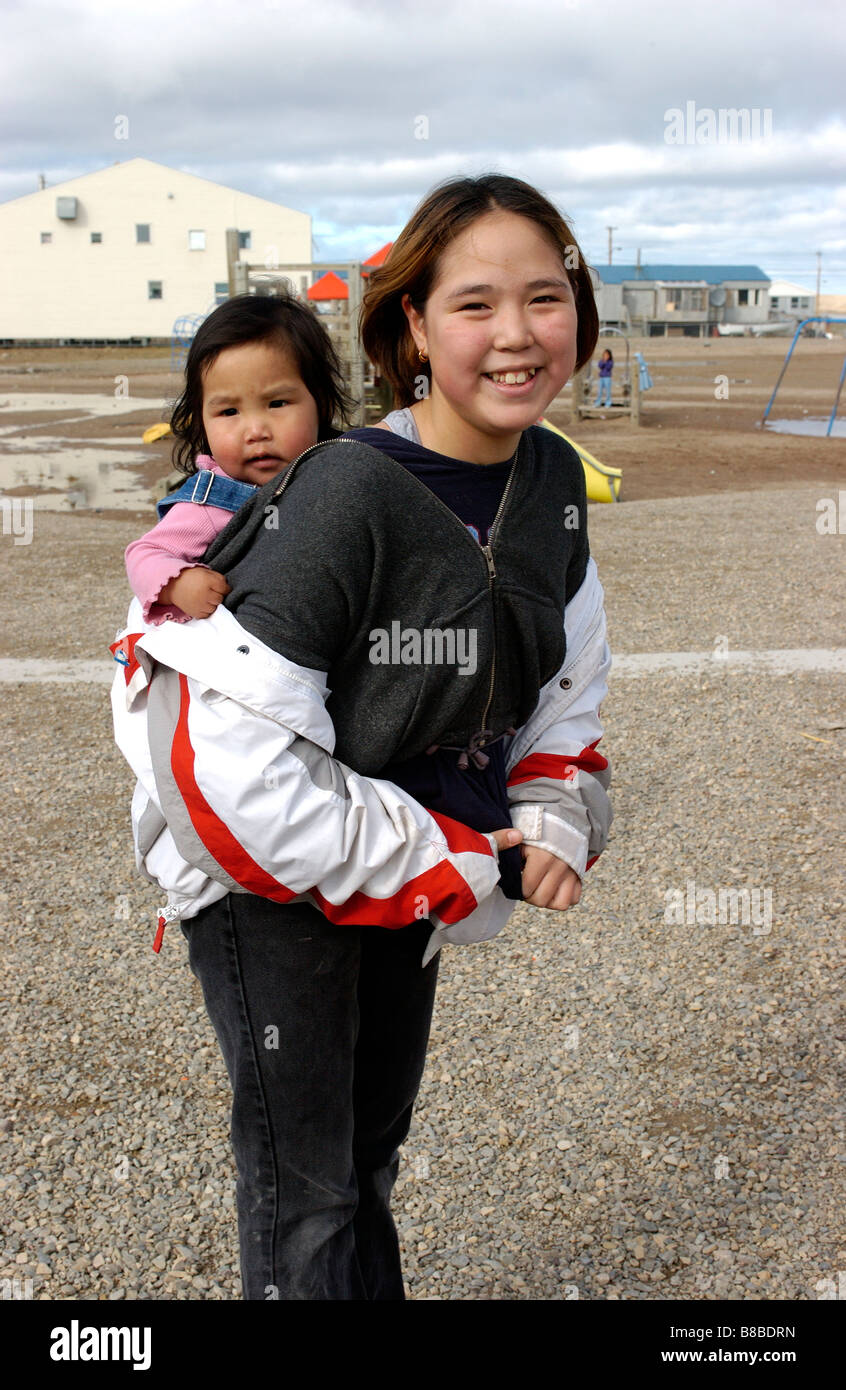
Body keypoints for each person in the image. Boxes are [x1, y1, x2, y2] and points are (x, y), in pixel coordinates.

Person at [110, 173, 613, 1301]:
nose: (520, 334)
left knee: (366, 1166)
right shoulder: (340, 493)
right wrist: (440, 852)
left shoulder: (554, 487)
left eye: (547, 297)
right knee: (308, 1191)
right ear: (412, 329)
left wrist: (549, 821)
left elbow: (562, 694)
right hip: (266, 884)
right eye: (477, 304)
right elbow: (221, 763)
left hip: (406, 876)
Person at [124, 293, 350, 623]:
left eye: (277, 404)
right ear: (201, 421)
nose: (256, 430)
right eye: (230, 411)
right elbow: (143, 554)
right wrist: (179, 584)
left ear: (321, 403)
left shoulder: (342, 470)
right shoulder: (210, 504)